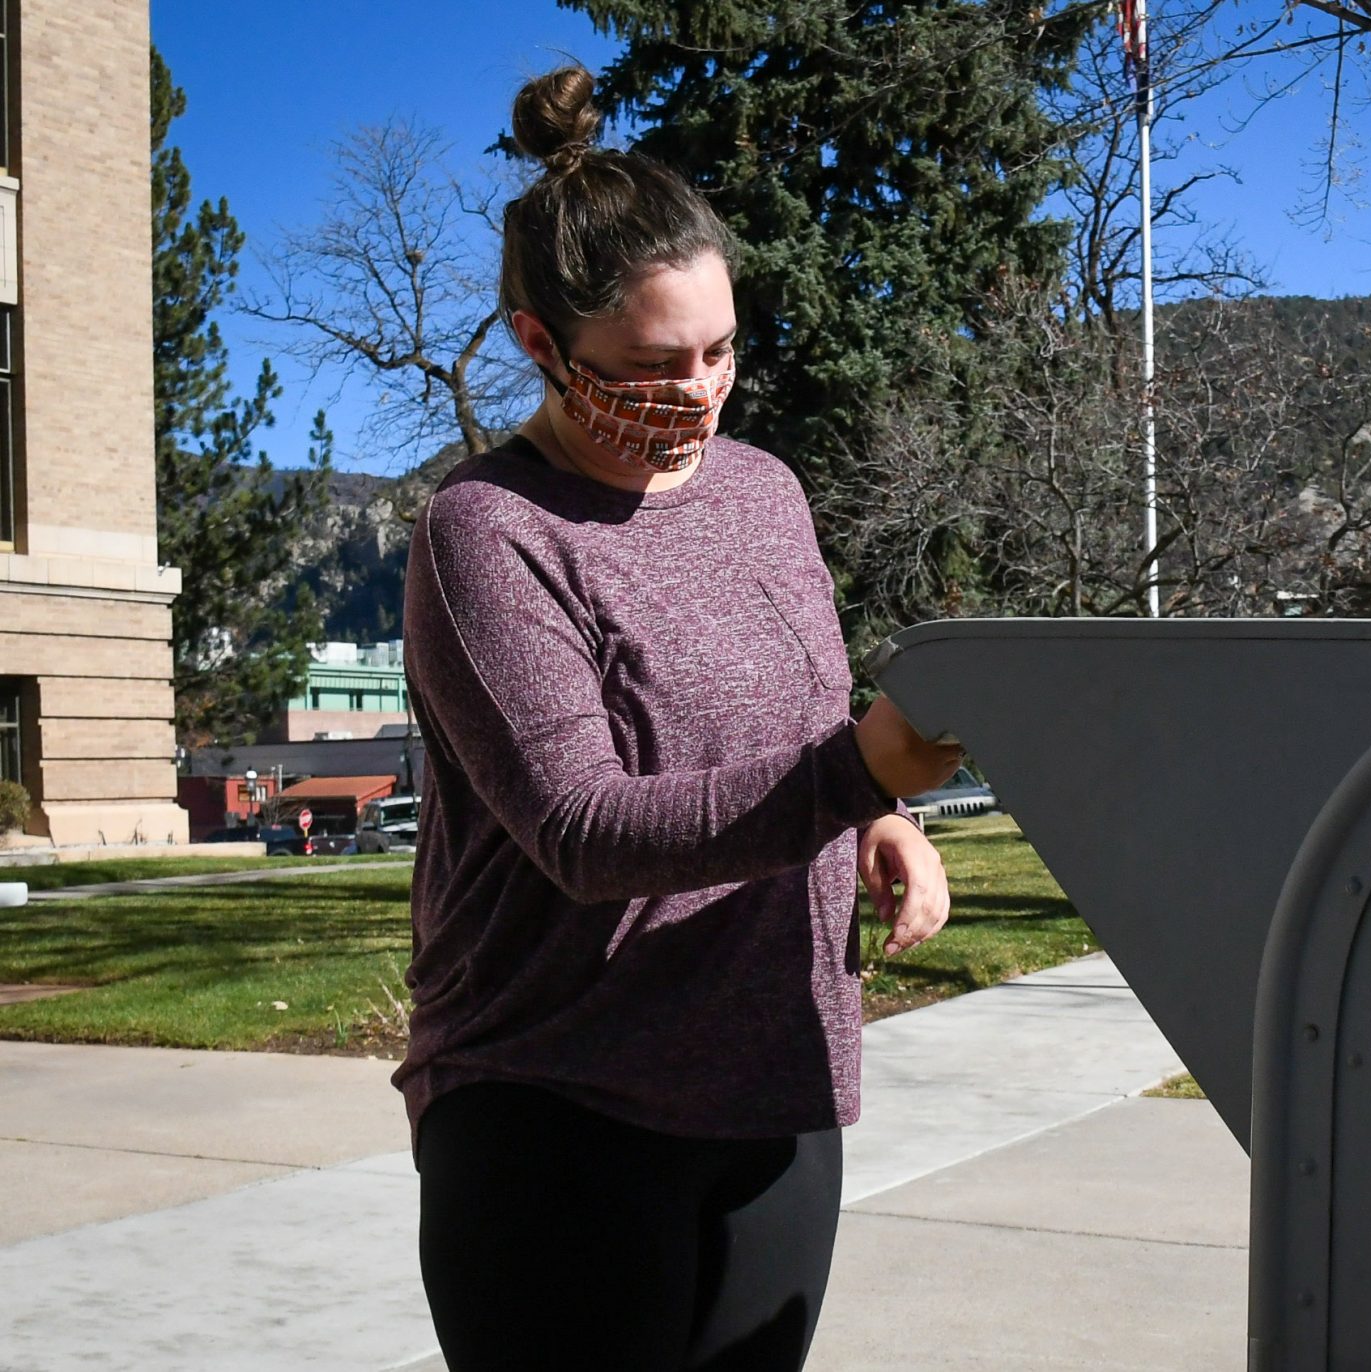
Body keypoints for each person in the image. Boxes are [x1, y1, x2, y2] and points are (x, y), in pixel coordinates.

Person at [393, 65, 963, 1372]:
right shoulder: (490, 531)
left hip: (778, 1081)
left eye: (719, 351)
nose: (699, 391)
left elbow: (806, 732)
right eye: (652, 365)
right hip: (561, 1107)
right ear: (541, 344)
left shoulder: (764, 492)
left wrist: (878, 819)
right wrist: (852, 774)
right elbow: (583, 829)